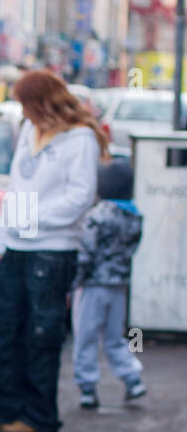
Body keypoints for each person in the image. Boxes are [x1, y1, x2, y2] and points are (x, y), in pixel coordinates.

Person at [0, 69, 107, 432]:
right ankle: (7, 410)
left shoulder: (80, 138)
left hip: (53, 249)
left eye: (26, 104)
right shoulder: (30, 130)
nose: (23, 112)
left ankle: (39, 417)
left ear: (43, 102)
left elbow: (81, 196)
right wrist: (5, 238)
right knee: (1, 329)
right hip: (17, 247)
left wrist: (33, 219)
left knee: (40, 334)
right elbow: (16, 187)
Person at [72, 158, 146, 408]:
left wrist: (74, 283)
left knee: (86, 337)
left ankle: (87, 387)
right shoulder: (134, 215)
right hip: (119, 285)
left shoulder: (98, 214)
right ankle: (132, 378)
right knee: (115, 337)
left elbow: (86, 252)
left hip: (93, 285)